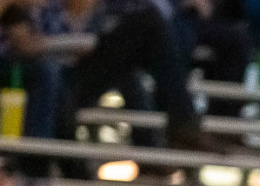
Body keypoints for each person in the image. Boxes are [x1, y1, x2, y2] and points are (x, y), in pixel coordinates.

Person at [0, 0, 222, 150]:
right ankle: (44, 167)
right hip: (39, 78)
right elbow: (24, 47)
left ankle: (173, 129)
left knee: (147, 25)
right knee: (47, 74)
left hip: (70, 71)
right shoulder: (20, 10)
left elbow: (74, 37)